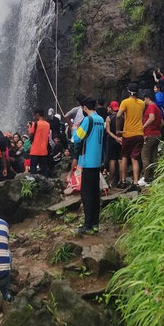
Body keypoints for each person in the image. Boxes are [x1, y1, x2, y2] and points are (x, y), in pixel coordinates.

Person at [72, 98, 105, 235]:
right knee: (95, 193)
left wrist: (75, 129)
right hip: (97, 160)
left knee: (87, 194)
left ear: (85, 108)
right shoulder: (100, 119)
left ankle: (87, 225)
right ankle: (95, 224)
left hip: (88, 161)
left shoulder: (88, 120)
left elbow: (77, 138)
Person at [114, 83, 145, 189]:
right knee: (135, 158)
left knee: (124, 156)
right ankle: (135, 182)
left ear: (128, 91)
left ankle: (123, 180)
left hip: (128, 133)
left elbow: (118, 116)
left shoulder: (125, 102)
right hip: (139, 133)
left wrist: (118, 130)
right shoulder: (142, 103)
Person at [139, 89, 163, 186]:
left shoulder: (151, 106)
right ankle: (154, 177)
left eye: (144, 99)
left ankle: (146, 178)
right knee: (154, 157)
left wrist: (143, 127)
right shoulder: (157, 107)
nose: (143, 101)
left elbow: (151, 118)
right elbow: (162, 123)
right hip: (157, 134)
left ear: (147, 98)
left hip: (150, 134)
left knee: (145, 156)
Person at [28, 108, 51, 176]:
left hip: (35, 150)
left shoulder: (35, 124)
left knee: (33, 168)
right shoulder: (47, 124)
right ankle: (45, 180)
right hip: (44, 150)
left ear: (37, 115)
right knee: (43, 168)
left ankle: (33, 180)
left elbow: (31, 134)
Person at [105, 101, 122, 186]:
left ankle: (111, 180)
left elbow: (108, 131)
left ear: (111, 109)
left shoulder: (109, 118)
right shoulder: (122, 117)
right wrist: (120, 138)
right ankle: (121, 180)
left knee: (112, 160)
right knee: (120, 160)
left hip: (112, 140)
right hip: (121, 140)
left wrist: (115, 138)